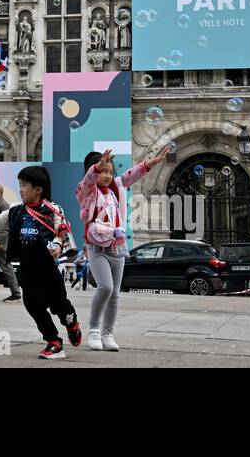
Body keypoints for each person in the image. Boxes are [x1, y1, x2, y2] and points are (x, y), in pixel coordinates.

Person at [0, 164, 80, 359]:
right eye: (20, 185)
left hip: (48, 268)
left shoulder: (52, 209)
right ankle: (54, 341)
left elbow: (61, 231)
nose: (21, 189)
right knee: (32, 304)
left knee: (58, 305)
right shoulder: (15, 211)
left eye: (25, 185)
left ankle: (71, 322)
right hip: (27, 268)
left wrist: (56, 245)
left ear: (38, 189)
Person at [76, 148, 167, 351]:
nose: (107, 175)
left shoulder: (117, 187)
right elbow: (89, 179)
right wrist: (97, 167)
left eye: (110, 171)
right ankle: (93, 330)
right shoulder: (87, 189)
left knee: (115, 293)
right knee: (105, 287)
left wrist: (151, 162)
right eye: (103, 171)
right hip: (96, 247)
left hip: (117, 247)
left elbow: (131, 174)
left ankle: (108, 333)